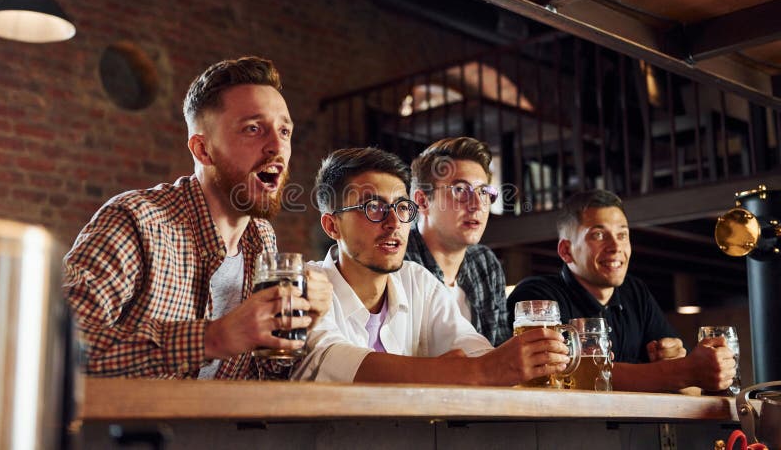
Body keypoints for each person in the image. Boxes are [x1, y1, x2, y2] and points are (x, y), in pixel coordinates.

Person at [63, 56, 332, 379]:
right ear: (203, 151)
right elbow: (59, 343)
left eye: (284, 131)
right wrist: (211, 338)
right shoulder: (137, 222)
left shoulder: (261, 237)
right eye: (253, 129)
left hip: (216, 429)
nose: (277, 146)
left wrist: (300, 326)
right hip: (127, 429)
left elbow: (260, 373)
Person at [294, 147, 570, 385]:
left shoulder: (417, 281)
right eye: (373, 207)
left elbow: (471, 348)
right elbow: (326, 360)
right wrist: (470, 372)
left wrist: (500, 363)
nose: (394, 223)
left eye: (402, 207)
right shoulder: (309, 284)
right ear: (332, 226)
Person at [506, 189, 736, 393]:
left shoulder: (634, 292)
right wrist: (682, 371)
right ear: (566, 251)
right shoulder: (539, 297)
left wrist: (673, 357)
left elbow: (678, 369)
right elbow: (571, 376)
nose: (615, 247)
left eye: (622, 235)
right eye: (598, 235)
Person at [405, 137, 509, 346]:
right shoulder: (398, 261)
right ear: (423, 201)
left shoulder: (485, 263)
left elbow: (499, 350)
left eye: (483, 192)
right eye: (460, 190)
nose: (478, 205)